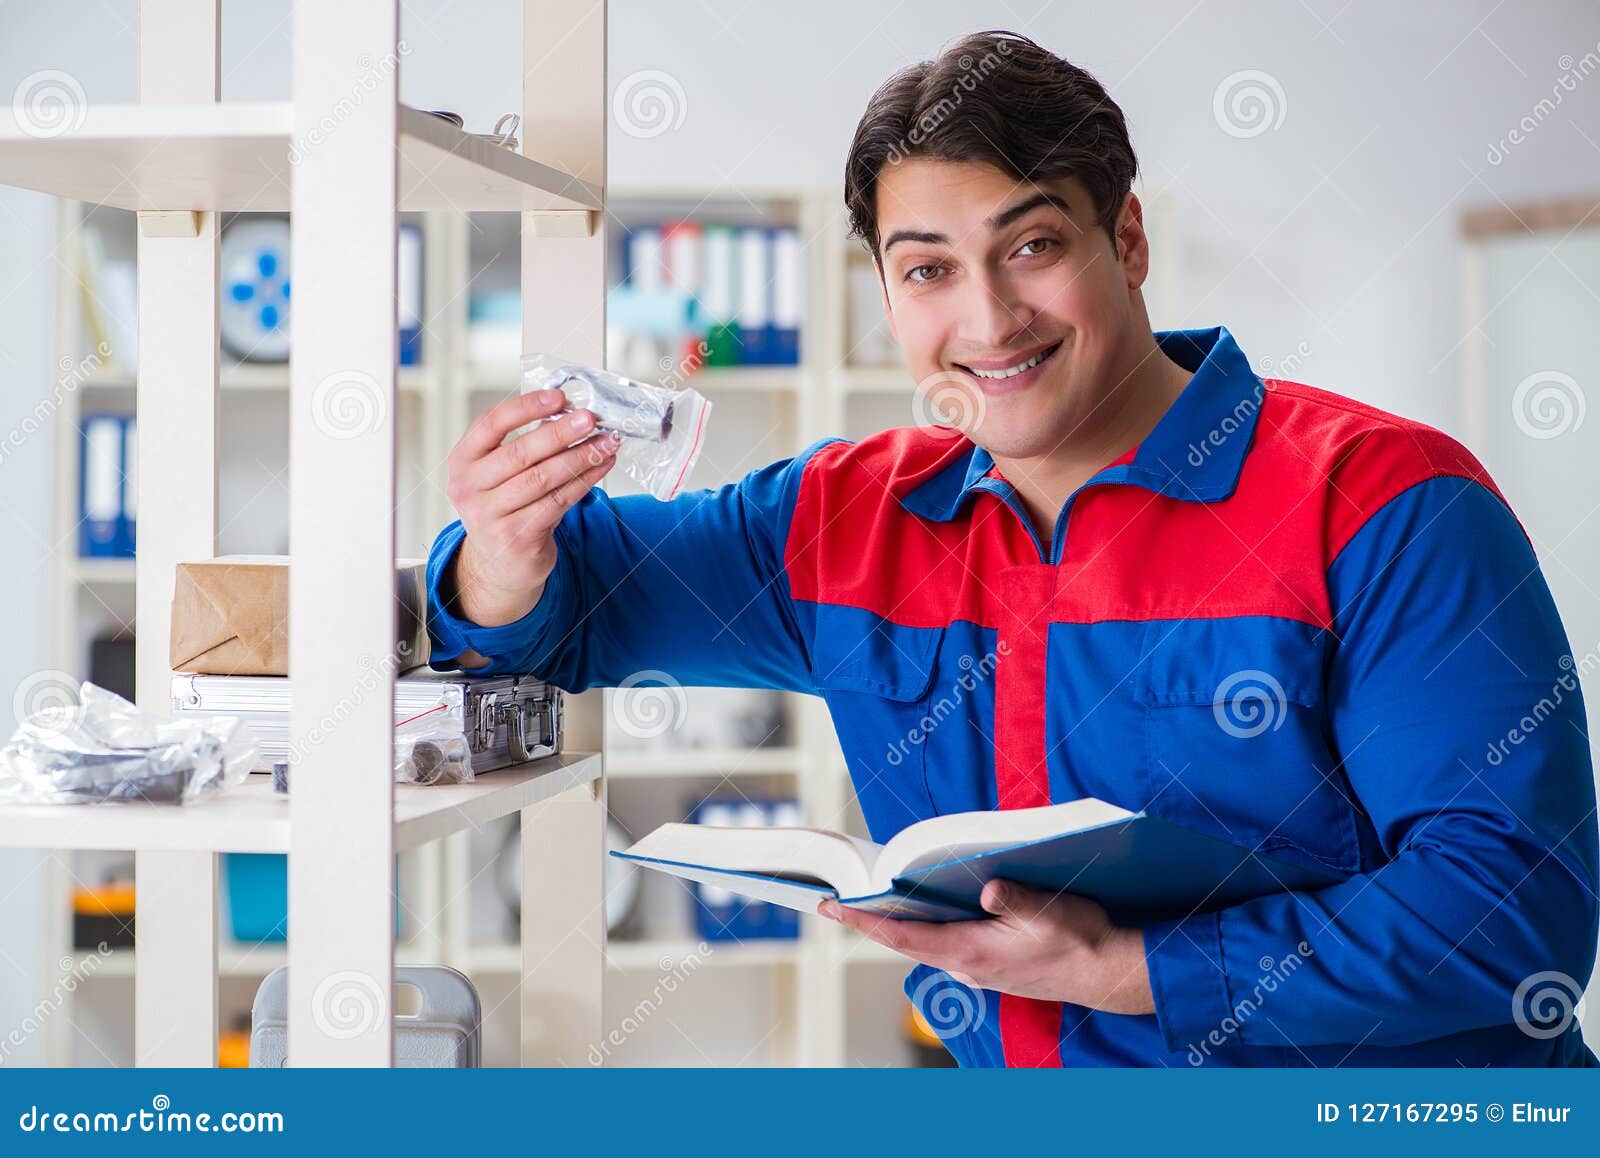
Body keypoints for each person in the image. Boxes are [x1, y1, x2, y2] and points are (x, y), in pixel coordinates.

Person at [426, 30, 1598, 1067]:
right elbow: (561, 607)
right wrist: (503, 543)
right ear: (887, 293)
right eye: (929, 269)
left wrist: (1131, 971)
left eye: (1031, 246)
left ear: (1125, 239)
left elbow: (1516, 910)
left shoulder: (1384, 502)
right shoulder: (843, 520)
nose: (987, 320)